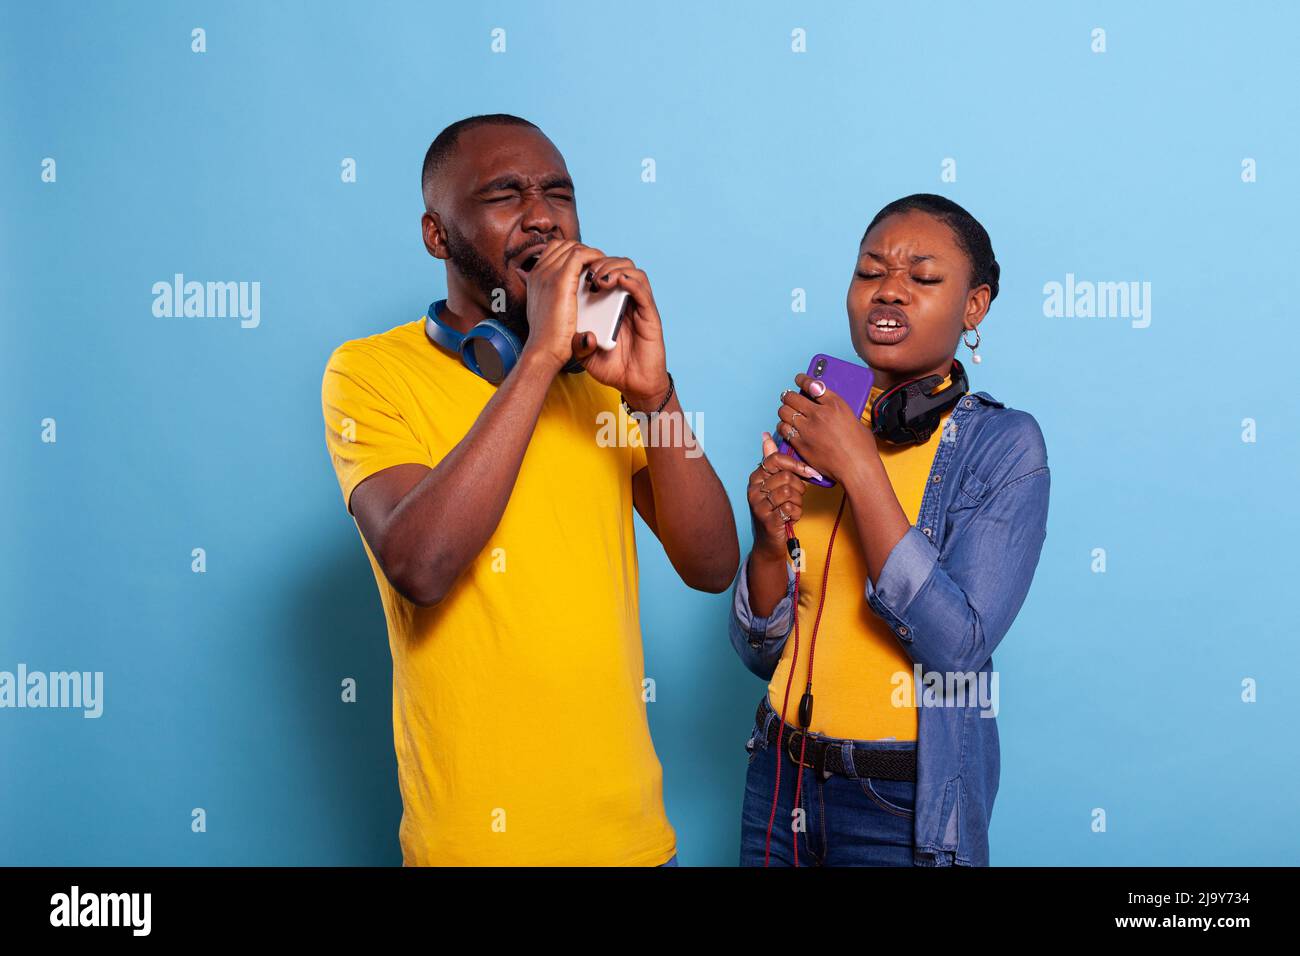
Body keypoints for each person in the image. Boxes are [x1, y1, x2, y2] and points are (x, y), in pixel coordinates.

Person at [321, 113, 739, 866]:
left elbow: (711, 566)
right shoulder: (367, 373)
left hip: (636, 843)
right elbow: (420, 566)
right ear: (436, 234)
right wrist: (540, 358)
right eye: (504, 195)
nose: (542, 214)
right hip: (476, 847)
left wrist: (655, 396)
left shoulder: (603, 377)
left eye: (558, 192)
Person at [730, 194, 1050, 867]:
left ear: (975, 306)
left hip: (899, 803)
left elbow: (956, 650)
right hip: (778, 780)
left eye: (923, 278)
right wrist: (766, 542)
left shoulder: (1004, 446)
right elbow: (763, 652)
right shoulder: (820, 421)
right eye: (870, 272)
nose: (890, 291)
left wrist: (860, 469)